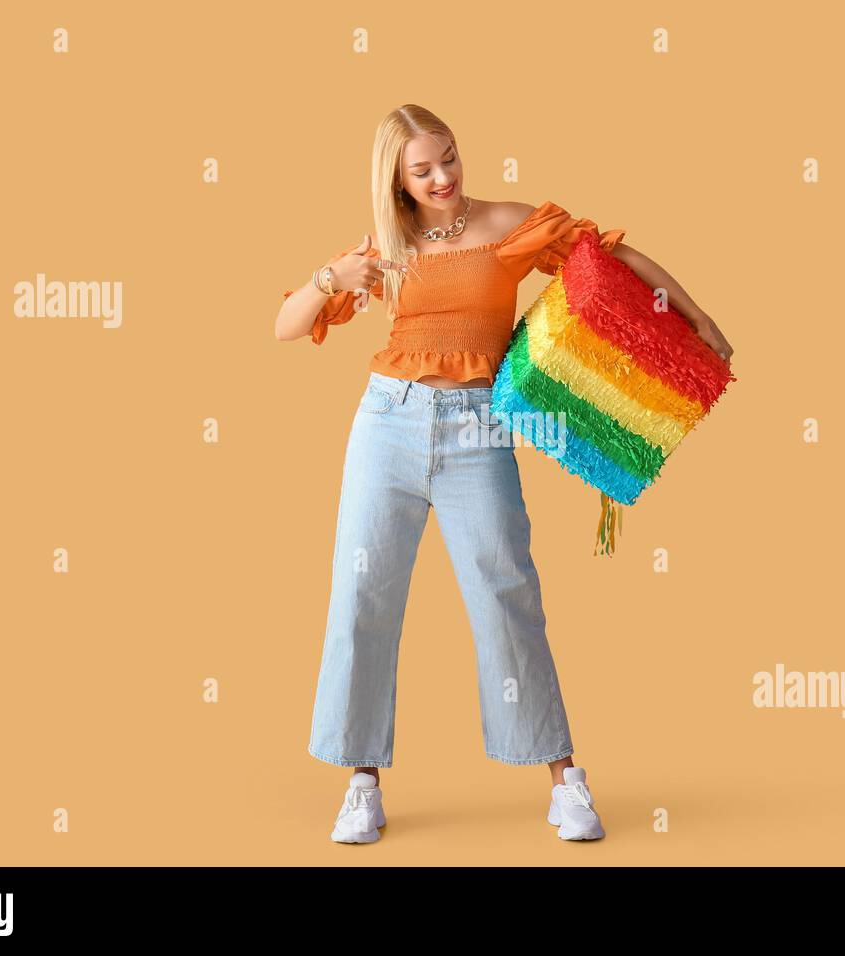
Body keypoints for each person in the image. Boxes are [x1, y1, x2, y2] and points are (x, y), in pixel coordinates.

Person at [275, 104, 733, 844]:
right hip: (386, 423)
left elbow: (611, 255)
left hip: (477, 426)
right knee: (363, 592)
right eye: (421, 170)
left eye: (448, 157)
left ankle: (564, 781)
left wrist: (698, 315)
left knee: (505, 590)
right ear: (395, 178)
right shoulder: (384, 249)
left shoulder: (508, 226)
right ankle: (362, 782)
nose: (443, 177)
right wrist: (334, 273)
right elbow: (288, 324)